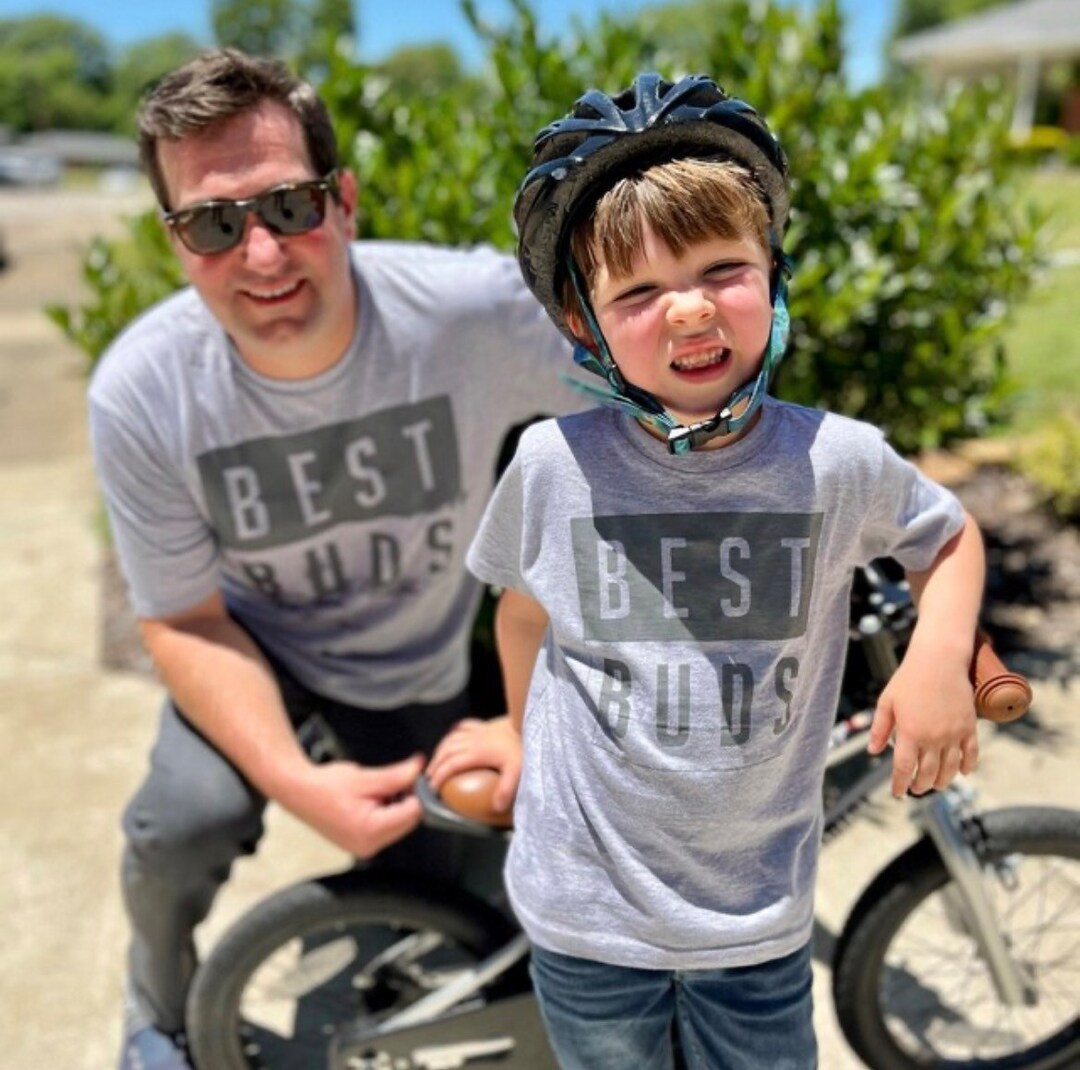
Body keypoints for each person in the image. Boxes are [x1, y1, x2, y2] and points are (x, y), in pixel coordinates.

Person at [427, 73, 985, 1069]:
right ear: (579, 319)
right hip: (585, 911)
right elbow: (522, 615)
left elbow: (947, 538)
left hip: (756, 917)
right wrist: (516, 729)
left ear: (773, 270)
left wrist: (939, 656)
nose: (686, 309)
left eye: (722, 268)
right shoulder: (555, 462)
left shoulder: (838, 460)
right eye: (636, 291)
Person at [88, 48, 584, 1070]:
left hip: (428, 667)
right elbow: (181, 619)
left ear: (344, 200)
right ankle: (158, 1006)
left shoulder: (473, 315)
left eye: (289, 206)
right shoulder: (142, 391)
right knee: (178, 822)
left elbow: (657, 387)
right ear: (177, 241)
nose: (262, 253)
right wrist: (292, 779)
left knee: (457, 929)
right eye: (215, 222)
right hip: (260, 656)